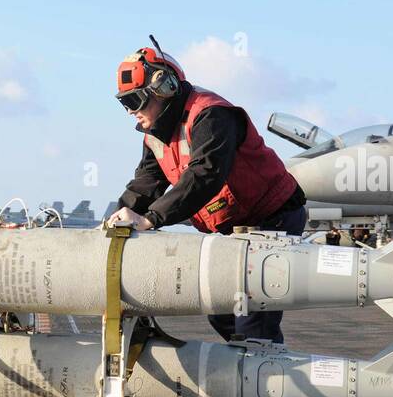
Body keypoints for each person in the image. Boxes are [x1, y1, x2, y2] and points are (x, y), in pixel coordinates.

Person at [106, 44, 306, 344]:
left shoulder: (211, 114)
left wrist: (150, 220)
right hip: (233, 230)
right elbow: (146, 183)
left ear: (164, 88)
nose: (132, 112)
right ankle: (249, 368)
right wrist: (117, 219)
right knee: (220, 310)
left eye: (135, 100)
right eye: (125, 103)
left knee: (250, 314)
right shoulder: (155, 134)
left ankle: (263, 380)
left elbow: (205, 174)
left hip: (273, 221)